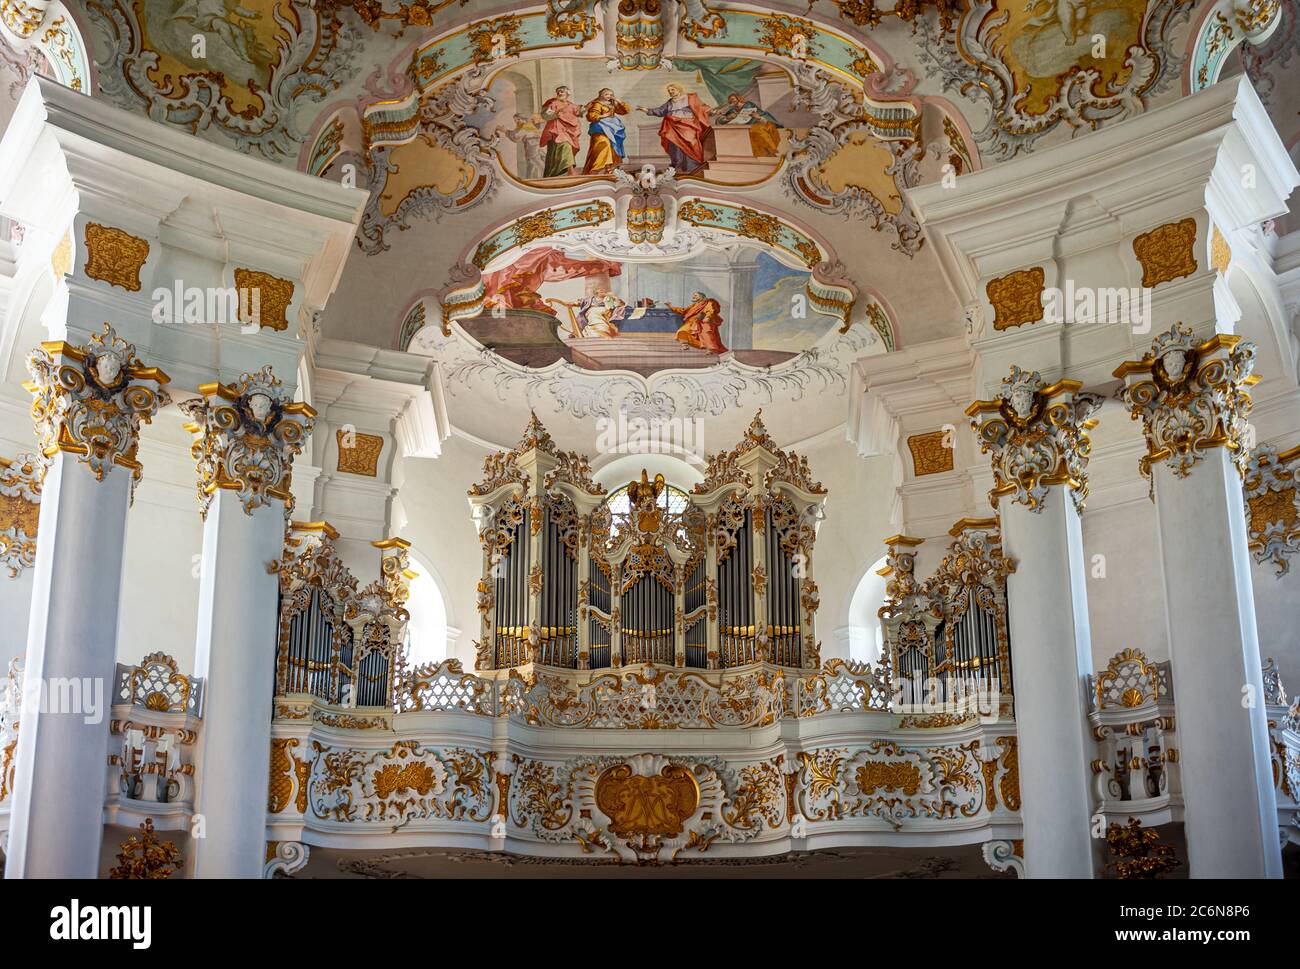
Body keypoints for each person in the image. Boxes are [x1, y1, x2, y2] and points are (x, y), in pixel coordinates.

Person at [638, 84, 713, 175]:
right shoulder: (670, 102)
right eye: (669, 90)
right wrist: (646, 110)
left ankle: (691, 167)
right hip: (672, 127)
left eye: (672, 89)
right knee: (674, 146)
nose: (670, 92)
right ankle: (677, 166)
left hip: (688, 126)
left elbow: (701, 107)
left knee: (691, 144)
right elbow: (660, 111)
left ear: (678, 89)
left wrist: (711, 111)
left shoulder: (690, 98)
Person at [712, 93, 782, 156]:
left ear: (738, 98)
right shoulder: (732, 110)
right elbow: (720, 121)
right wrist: (728, 118)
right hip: (741, 129)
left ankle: (769, 152)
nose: (731, 101)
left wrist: (758, 118)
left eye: (733, 99)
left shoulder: (748, 105)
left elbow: (760, 116)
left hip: (755, 124)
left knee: (758, 131)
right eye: (729, 100)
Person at [582, 88, 631, 175]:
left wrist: (618, 100)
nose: (609, 96)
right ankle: (596, 169)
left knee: (613, 147)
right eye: (606, 94)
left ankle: (608, 168)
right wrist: (604, 115)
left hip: (612, 129)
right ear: (601, 95)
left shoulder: (611, 104)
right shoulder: (597, 104)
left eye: (611, 94)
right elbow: (591, 117)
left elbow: (625, 111)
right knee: (604, 145)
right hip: (600, 129)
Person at [539, 86, 582, 177]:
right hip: (556, 129)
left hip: (569, 130)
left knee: (566, 148)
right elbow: (545, 116)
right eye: (558, 92)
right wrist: (555, 114)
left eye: (562, 91)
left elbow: (579, 113)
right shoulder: (553, 103)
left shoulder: (571, 105)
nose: (559, 93)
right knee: (565, 145)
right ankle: (570, 171)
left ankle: (555, 172)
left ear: (567, 93)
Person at [502, 113, 545, 179]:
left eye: (518, 120)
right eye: (515, 120)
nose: (516, 122)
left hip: (533, 149)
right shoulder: (523, 126)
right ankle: (528, 181)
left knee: (540, 166)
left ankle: (544, 181)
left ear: (523, 119)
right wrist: (506, 131)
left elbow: (516, 137)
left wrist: (505, 131)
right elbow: (515, 134)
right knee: (530, 167)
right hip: (531, 148)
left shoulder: (526, 126)